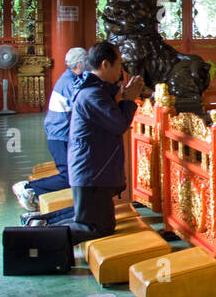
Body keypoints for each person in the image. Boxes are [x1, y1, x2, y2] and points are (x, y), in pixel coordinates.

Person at [33, 41, 142, 243]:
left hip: (93, 171)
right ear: (105, 64)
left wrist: (122, 96)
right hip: (91, 172)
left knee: (95, 222)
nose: (121, 70)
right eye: (118, 64)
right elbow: (118, 124)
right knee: (95, 226)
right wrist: (129, 100)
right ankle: (37, 237)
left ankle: (39, 226)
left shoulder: (95, 90)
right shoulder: (92, 94)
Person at [12, 47, 87, 210]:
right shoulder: (70, 82)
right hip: (60, 137)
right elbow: (83, 106)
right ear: (80, 64)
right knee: (70, 176)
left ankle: (30, 189)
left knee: (73, 174)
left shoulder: (71, 78)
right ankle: (28, 189)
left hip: (61, 135)